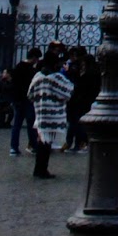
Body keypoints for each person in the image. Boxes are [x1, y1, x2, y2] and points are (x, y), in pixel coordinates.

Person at [27, 51, 73, 180]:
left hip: (41, 113)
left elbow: (30, 94)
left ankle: (39, 168)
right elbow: (67, 92)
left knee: (42, 141)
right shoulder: (56, 78)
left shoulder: (38, 76)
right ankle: (42, 170)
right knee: (47, 144)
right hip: (53, 115)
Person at [64, 48, 100, 153]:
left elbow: (82, 86)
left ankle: (80, 143)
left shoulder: (88, 74)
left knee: (78, 123)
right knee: (78, 122)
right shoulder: (92, 72)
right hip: (83, 100)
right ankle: (79, 143)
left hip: (81, 100)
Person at [8, 46, 41, 157]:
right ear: (34, 57)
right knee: (31, 124)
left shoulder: (18, 67)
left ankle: (14, 147)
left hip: (18, 100)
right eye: (37, 59)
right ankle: (34, 145)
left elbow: (13, 84)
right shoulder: (30, 69)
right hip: (27, 100)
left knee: (17, 124)